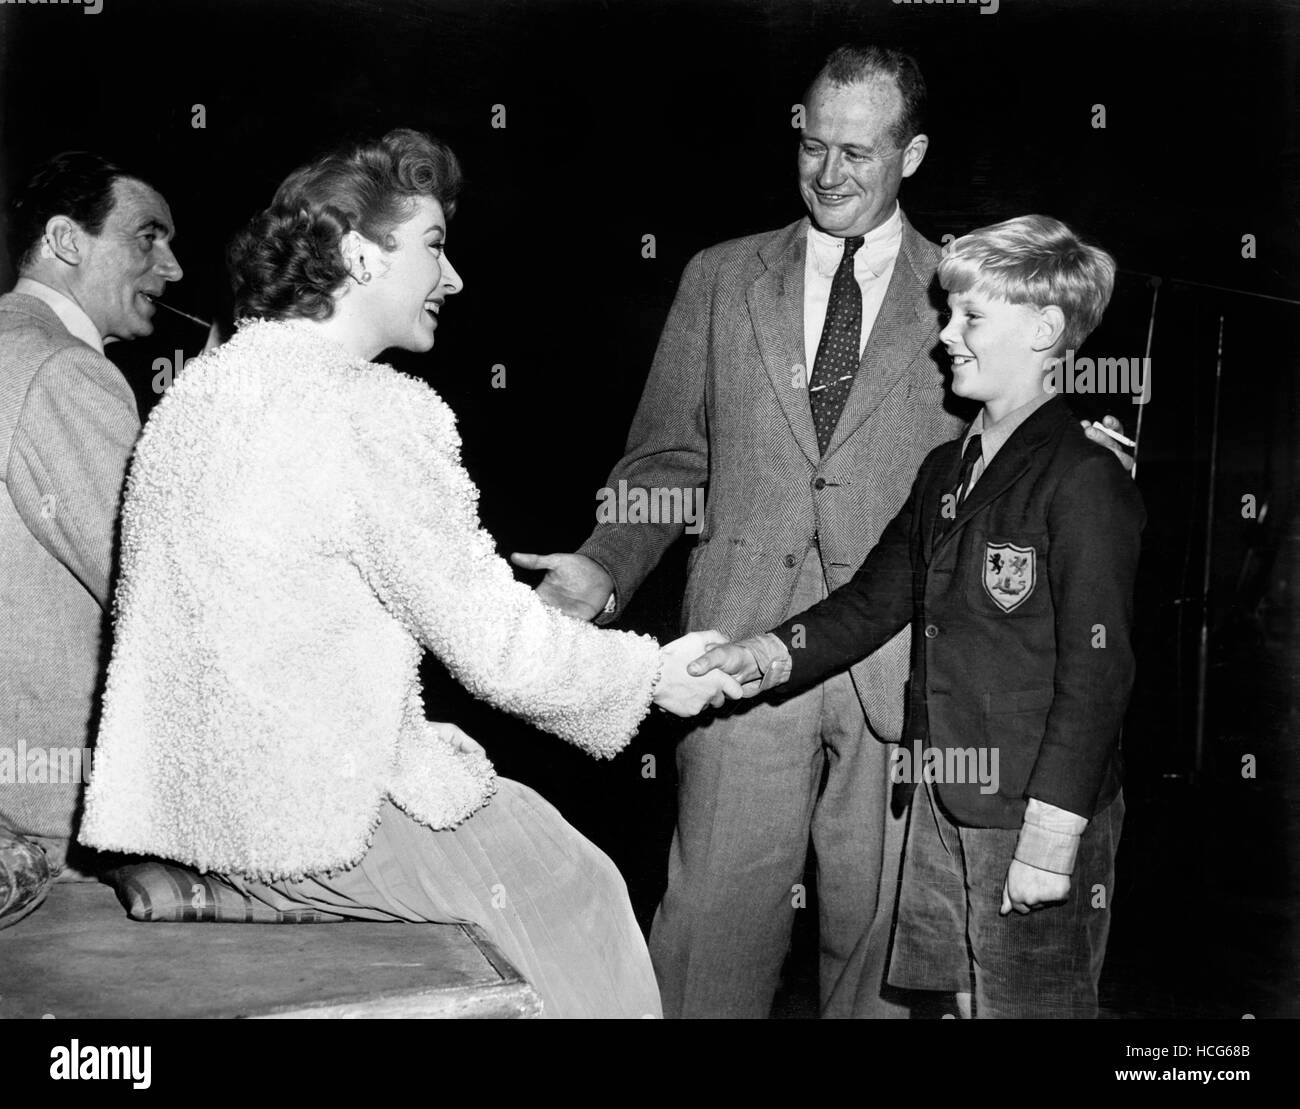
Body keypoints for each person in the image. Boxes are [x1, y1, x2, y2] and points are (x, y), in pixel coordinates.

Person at [513, 44, 1134, 1017]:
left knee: (885, 961)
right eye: (812, 146)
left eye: (858, 152)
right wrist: (603, 565)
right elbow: (668, 460)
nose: (829, 173)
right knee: (706, 935)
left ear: (911, 155)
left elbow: (1017, 432)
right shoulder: (721, 278)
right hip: (740, 652)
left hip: (905, 667)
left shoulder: (960, 290)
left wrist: (1078, 440)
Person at [77, 129, 734, 1018]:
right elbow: (497, 648)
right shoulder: (371, 408)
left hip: (191, 817)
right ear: (359, 254)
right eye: (432, 245)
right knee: (582, 888)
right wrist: (653, 673)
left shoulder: (196, 395)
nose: (452, 277)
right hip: (311, 825)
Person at [692, 215, 1144, 1018]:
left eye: (971, 317)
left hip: (1028, 814)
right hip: (939, 804)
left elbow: (1098, 672)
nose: (945, 336)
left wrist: (1051, 839)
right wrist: (761, 654)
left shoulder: (1084, 477)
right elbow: (874, 599)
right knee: (956, 1007)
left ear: (1044, 330)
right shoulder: (945, 469)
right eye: (949, 313)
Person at [0, 152, 183, 927]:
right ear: (64, 240)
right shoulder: (63, 370)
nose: (172, 267)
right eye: (147, 238)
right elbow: (158, 587)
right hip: (47, 838)